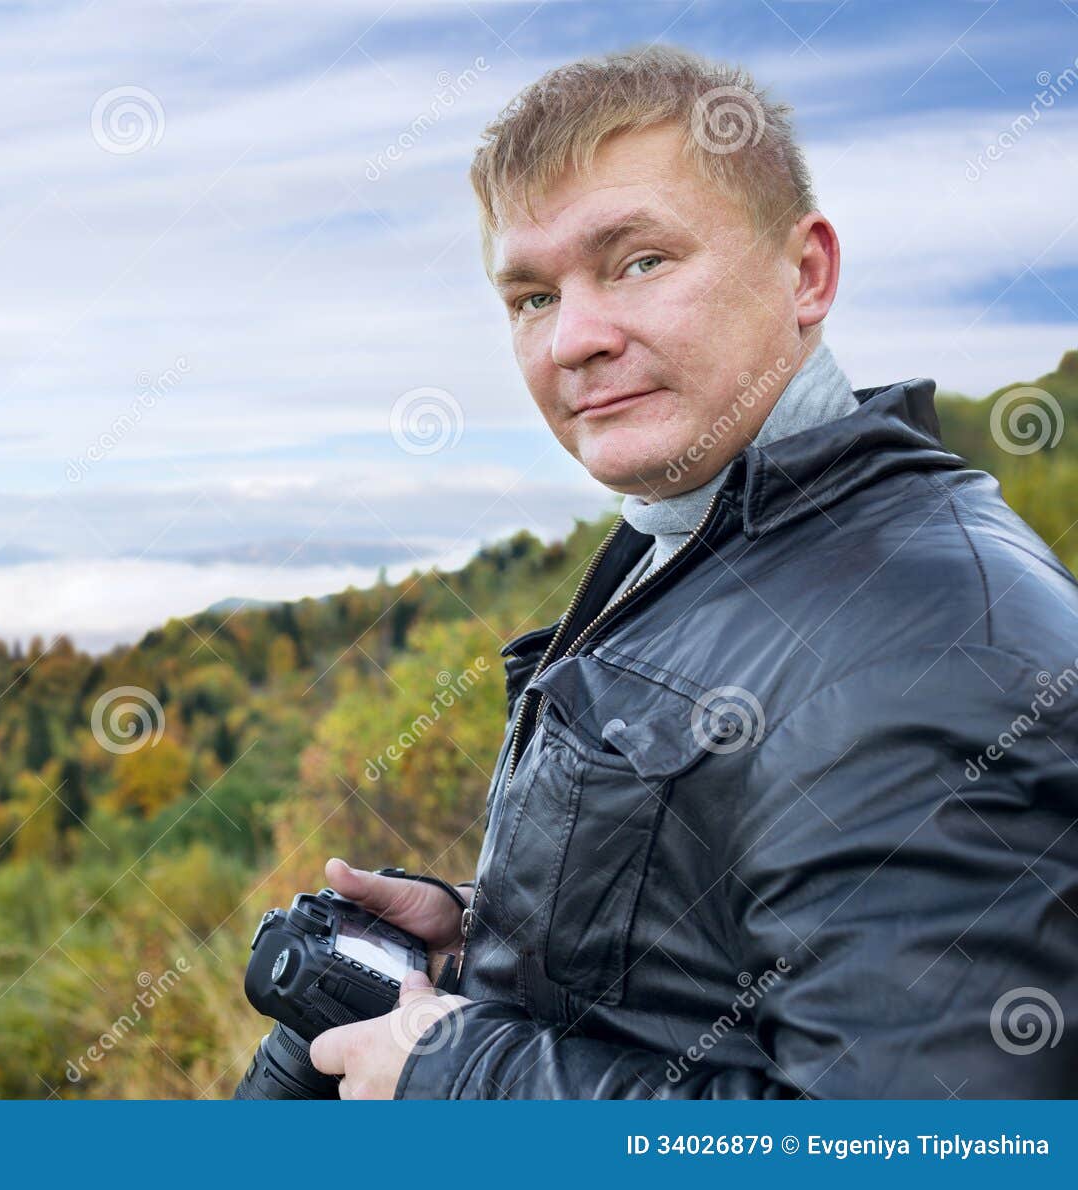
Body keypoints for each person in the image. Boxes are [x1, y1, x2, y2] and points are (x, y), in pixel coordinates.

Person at [309, 44, 1078, 1099]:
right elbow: (751, 948)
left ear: (804, 273)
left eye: (638, 262)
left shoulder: (923, 641)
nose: (574, 338)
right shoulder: (699, 534)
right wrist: (488, 938)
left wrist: (462, 1077)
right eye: (531, 297)